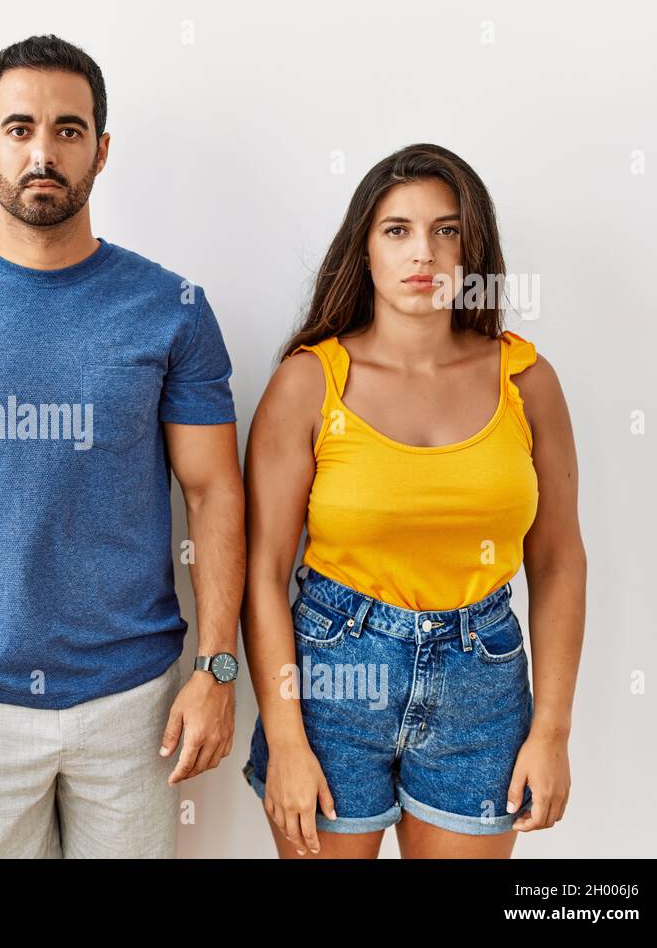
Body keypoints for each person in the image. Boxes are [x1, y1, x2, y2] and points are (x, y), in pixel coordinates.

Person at [0, 34, 246, 858]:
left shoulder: (171, 309)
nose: (43, 151)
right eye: (20, 127)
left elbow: (213, 493)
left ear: (101, 150)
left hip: (134, 698)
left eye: (69, 131)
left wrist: (216, 670)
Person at [241, 143, 585, 858]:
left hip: (481, 683)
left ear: (473, 250)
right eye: (396, 230)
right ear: (364, 249)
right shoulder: (309, 384)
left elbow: (556, 561)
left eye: (446, 230)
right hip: (332, 678)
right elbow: (264, 573)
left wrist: (550, 730)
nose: (421, 253)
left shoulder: (527, 380)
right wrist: (285, 737)